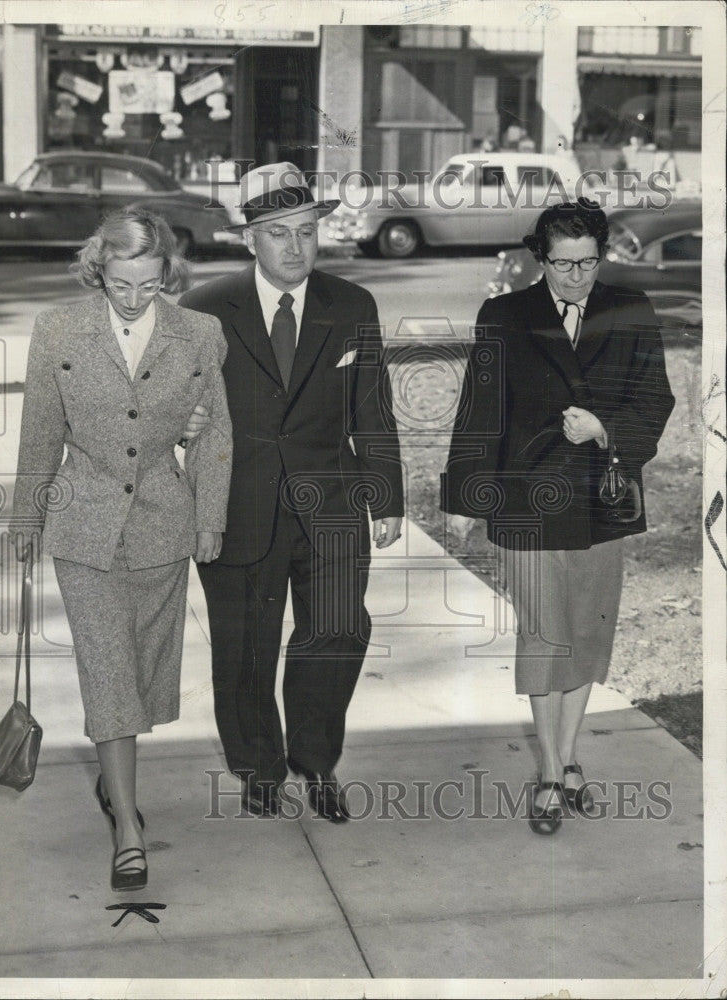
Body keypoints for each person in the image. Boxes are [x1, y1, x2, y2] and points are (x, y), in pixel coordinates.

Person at [9, 206, 232, 888]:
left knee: (141, 677)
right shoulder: (58, 331)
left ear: (168, 274)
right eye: (119, 282)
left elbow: (216, 432)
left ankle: (115, 783)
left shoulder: (199, 333)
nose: (133, 299)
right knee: (107, 676)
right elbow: (41, 432)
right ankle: (128, 827)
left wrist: (209, 519)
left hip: (164, 525)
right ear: (97, 268)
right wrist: (24, 521)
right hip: (84, 528)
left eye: (149, 285)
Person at [178, 162, 404, 821]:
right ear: (248, 238)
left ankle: (315, 761)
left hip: (331, 505)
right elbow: (163, 408)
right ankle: (257, 767)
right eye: (277, 233)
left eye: (306, 231)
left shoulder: (351, 305)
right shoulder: (202, 310)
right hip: (235, 505)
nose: (295, 247)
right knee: (244, 644)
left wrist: (387, 500)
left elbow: (374, 411)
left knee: (335, 633)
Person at [441, 199, 674, 835]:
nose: (577, 277)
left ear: (603, 255)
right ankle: (551, 773)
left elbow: (656, 398)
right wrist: (466, 499)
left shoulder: (630, 309)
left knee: (587, 635)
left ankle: (568, 760)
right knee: (545, 638)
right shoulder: (505, 314)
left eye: (588, 262)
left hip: (603, 499)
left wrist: (608, 429)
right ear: (538, 259)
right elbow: (479, 410)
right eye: (563, 264)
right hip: (526, 502)